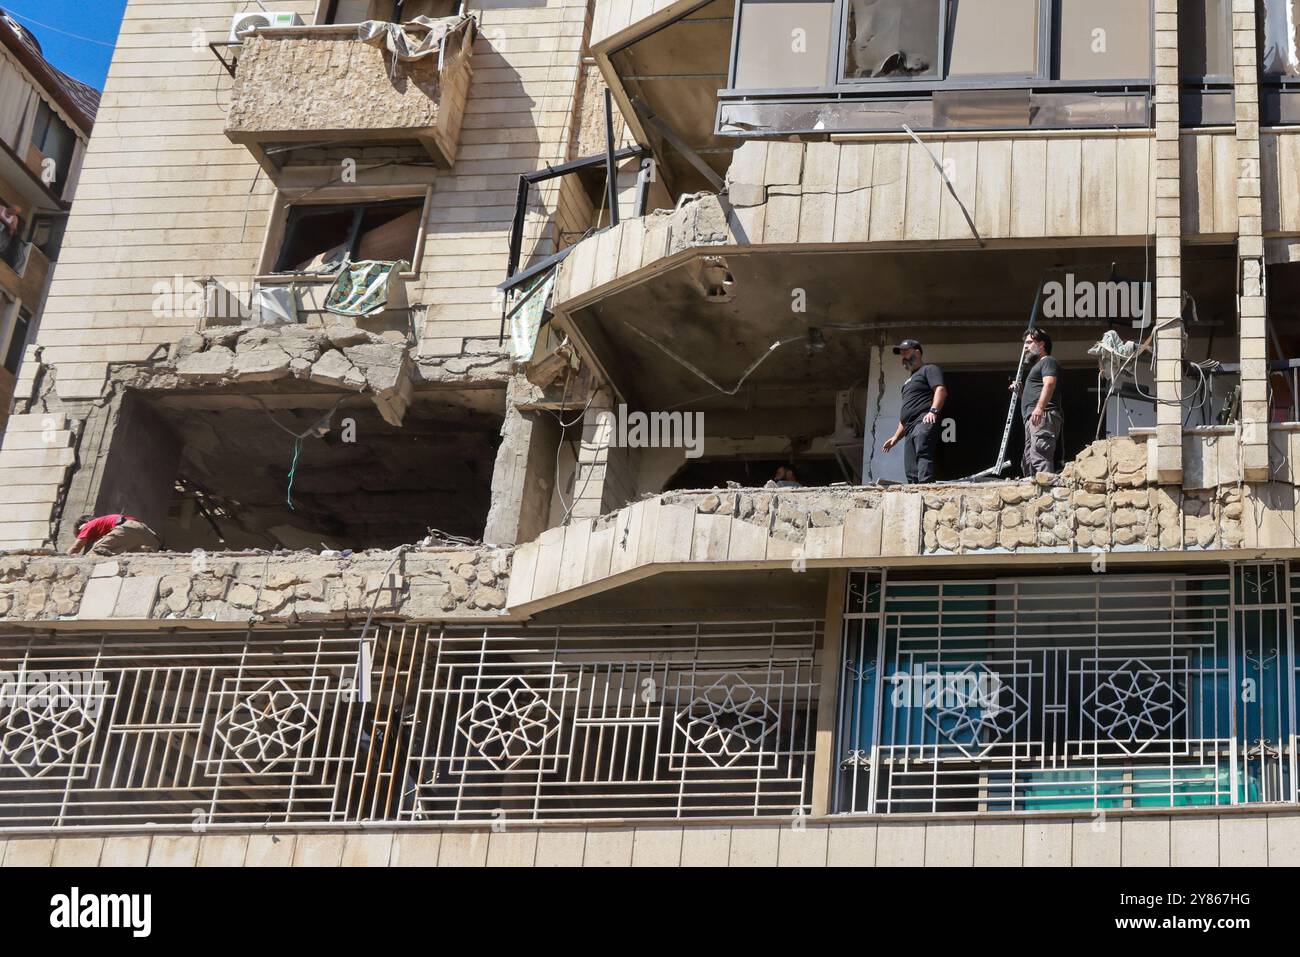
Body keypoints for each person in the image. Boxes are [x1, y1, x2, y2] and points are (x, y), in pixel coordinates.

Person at [882, 339, 947, 484]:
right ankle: (914, 490)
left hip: (923, 419)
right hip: (909, 427)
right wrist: (895, 437)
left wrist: (933, 411)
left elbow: (940, 390)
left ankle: (925, 486)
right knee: (910, 466)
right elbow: (905, 413)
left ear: (917, 352)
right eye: (901, 354)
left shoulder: (929, 369)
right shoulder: (907, 383)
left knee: (922, 449)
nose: (903, 357)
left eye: (905, 352)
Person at [1013, 327, 1063, 477]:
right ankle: (1034, 496)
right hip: (1034, 417)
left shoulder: (1048, 361)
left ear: (1041, 344)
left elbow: (1049, 384)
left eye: (1029, 342)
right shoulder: (1037, 366)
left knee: (1039, 456)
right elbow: (1036, 394)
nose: (1025, 347)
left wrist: (1039, 407)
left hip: (1043, 415)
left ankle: (1046, 496)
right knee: (1029, 460)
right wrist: (1021, 392)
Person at [68, 513, 161, 556]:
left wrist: (66, 556)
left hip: (128, 529)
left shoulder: (88, 525)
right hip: (150, 536)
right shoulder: (106, 523)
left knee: (94, 553)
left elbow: (76, 547)